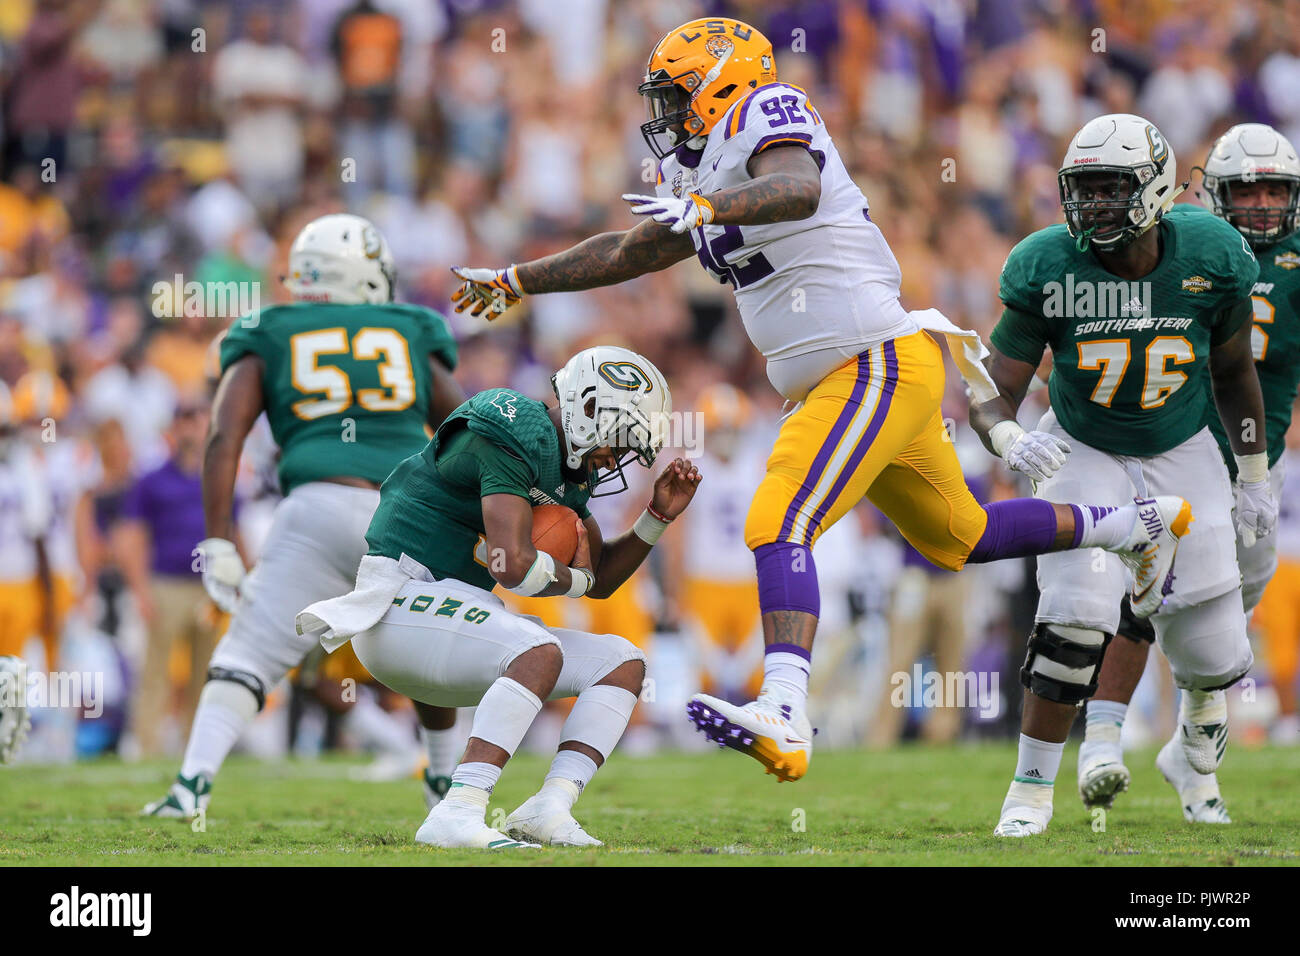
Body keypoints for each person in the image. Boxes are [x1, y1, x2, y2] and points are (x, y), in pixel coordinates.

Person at [451, 18, 1195, 785]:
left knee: (779, 515)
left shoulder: (765, 111)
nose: (667, 114)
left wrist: (710, 210)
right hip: (855, 373)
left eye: (678, 94)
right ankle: (1135, 527)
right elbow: (627, 252)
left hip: (870, 359)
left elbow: (797, 188)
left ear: (725, 81)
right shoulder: (699, 171)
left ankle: (783, 707)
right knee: (959, 536)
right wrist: (518, 279)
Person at [971, 114, 1275, 837]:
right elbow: (994, 386)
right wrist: (1006, 433)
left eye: (1110, 188)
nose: (1093, 205)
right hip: (1085, 444)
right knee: (1074, 614)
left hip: (1183, 444)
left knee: (1215, 654)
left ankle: (1188, 751)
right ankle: (1030, 788)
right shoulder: (1048, 263)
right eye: (1083, 189)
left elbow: (1234, 372)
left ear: (1156, 187)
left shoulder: (1210, 253)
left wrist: (1254, 472)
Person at [297, 347, 700, 849]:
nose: (616, 456)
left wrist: (656, 518)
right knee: (537, 651)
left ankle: (548, 808)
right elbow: (511, 565)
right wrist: (572, 579)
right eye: (619, 438)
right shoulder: (514, 424)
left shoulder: (570, 467)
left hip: (453, 623)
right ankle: (459, 809)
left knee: (623, 662)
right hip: (397, 603)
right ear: (589, 407)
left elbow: (599, 580)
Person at [143, 214, 463, 818]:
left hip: (316, 506)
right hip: (405, 514)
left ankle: (190, 788)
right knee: (426, 654)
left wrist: (217, 542)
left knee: (249, 653)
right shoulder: (411, 328)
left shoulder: (270, 328)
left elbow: (222, 436)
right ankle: (443, 783)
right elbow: (466, 424)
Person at [1076, 123, 1300, 822]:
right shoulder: (1179, 242)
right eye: (1248, 188)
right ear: (1212, 191)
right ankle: (1107, 740)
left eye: (1275, 190)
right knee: (1147, 600)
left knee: (1222, 617)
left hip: (1259, 465)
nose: (1263, 204)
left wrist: (1260, 472)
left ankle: (1191, 757)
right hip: (1176, 451)